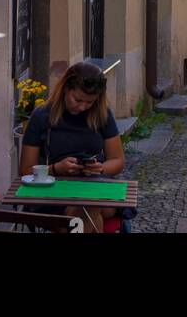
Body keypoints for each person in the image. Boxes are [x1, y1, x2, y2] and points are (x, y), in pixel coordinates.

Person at [19, 61, 126, 234]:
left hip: (95, 185)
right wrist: (55, 168)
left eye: (89, 102)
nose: (83, 107)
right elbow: (25, 170)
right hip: (54, 191)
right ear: (65, 88)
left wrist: (100, 168)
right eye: (78, 100)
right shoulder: (42, 116)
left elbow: (118, 161)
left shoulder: (102, 114)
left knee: (85, 206)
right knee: (86, 210)